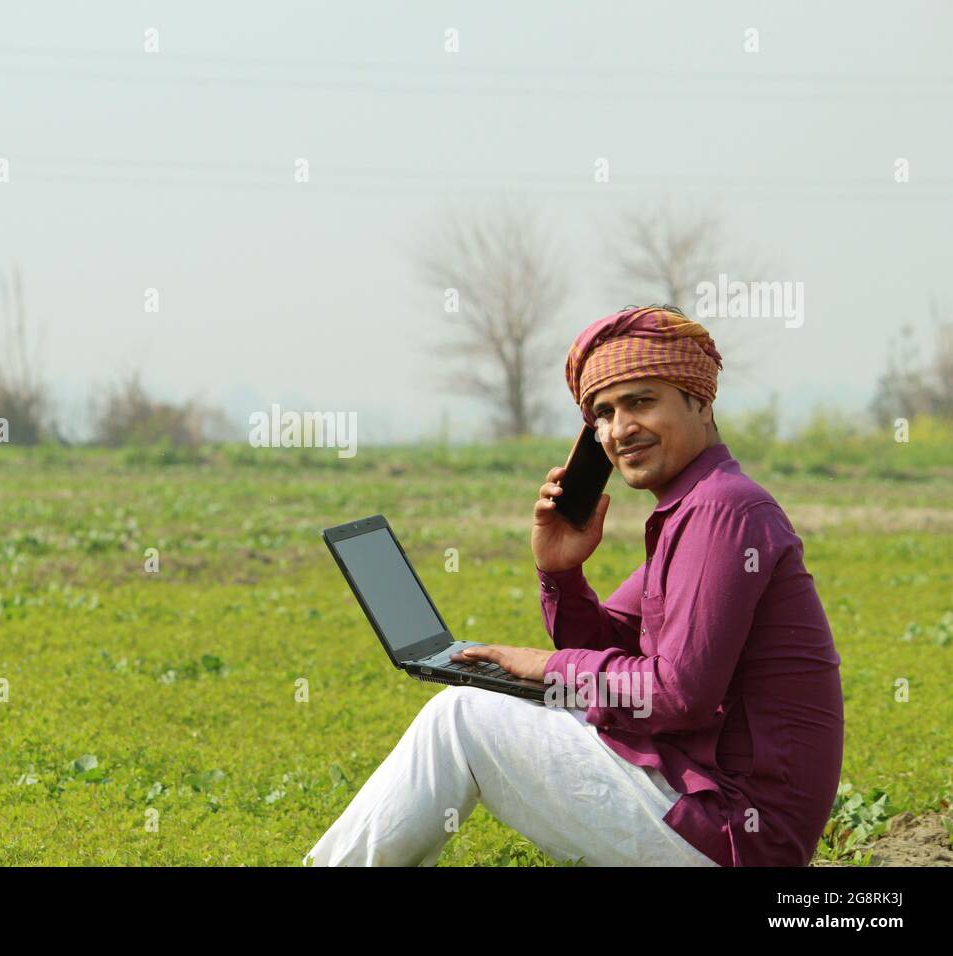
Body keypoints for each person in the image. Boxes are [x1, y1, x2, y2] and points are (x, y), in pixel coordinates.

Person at [303, 305, 844, 867]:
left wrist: (544, 668)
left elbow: (676, 695)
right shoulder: (692, 508)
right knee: (490, 705)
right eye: (603, 414)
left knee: (460, 717)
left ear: (700, 400)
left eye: (641, 402)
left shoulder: (723, 510)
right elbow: (605, 647)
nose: (620, 430)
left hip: (734, 833)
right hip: (706, 801)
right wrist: (561, 571)